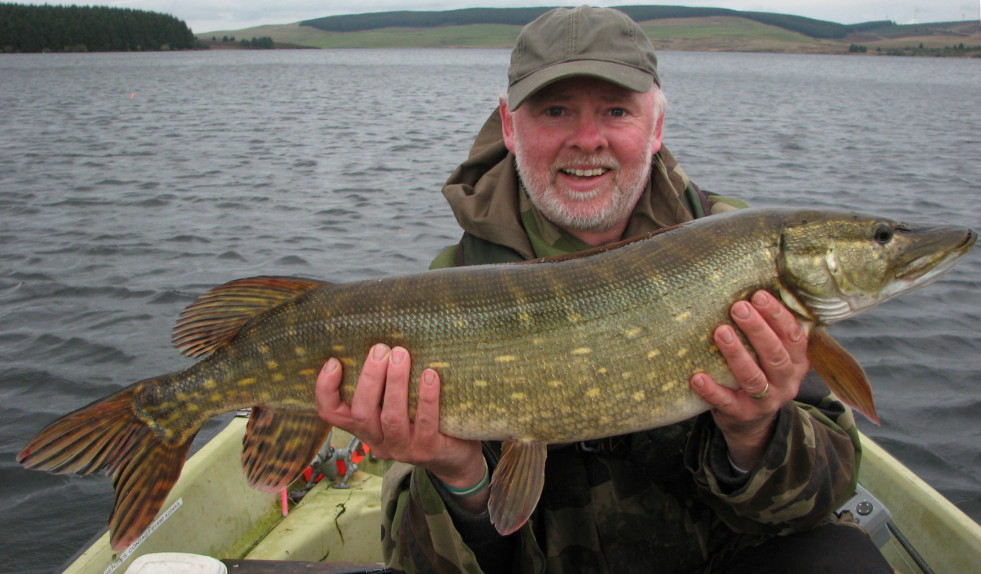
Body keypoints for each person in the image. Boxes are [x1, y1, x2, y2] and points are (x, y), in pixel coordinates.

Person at [315, 6, 892, 573]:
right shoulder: (449, 289)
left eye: (616, 110)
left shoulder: (741, 256)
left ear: (657, 126)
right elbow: (421, 563)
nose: (587, 139)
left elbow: (821, 495)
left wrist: (754, 433)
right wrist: (460, 476)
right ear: (510, 127)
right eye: (556, 110)